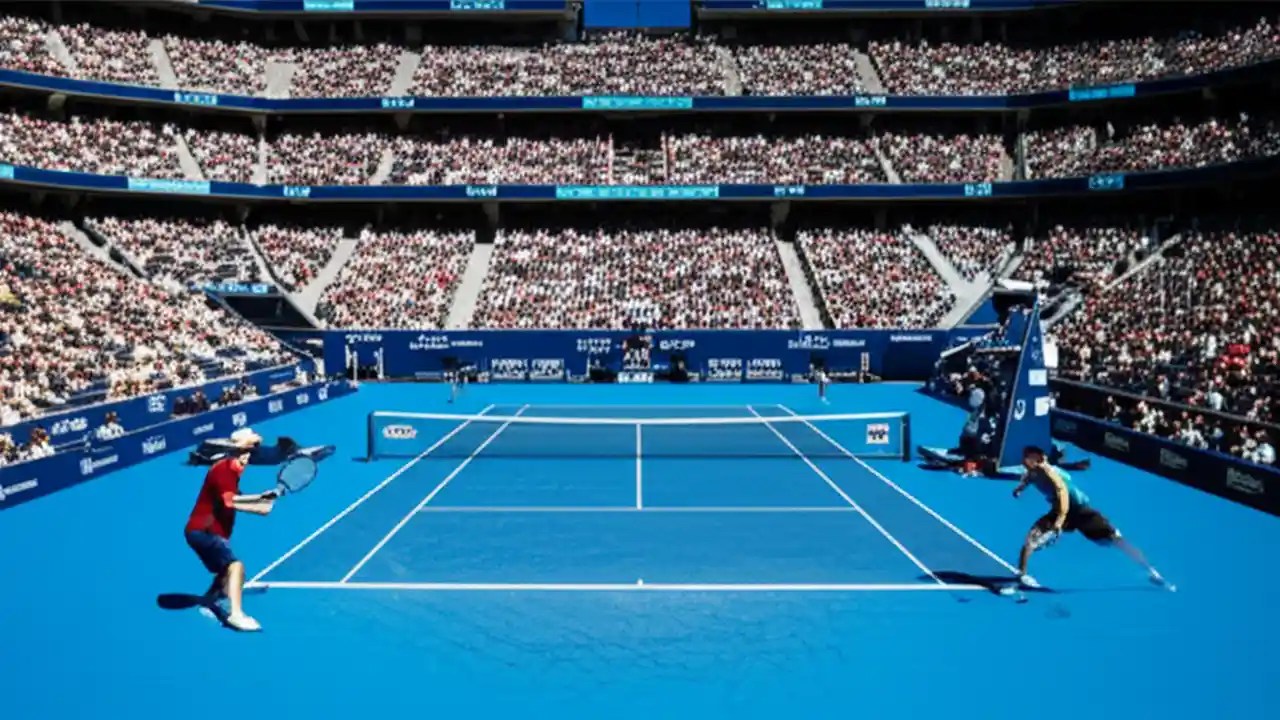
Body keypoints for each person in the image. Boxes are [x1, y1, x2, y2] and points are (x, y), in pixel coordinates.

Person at [1012, 445, 1168, 589]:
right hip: (1059, 511)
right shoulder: (1031, 473)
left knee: (1116, 540)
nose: (1024, 460)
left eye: (1028, 457)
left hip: (1080, 511)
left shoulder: (1050, 473)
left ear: (1039, 459)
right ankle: (1022, 575)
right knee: (1030, 539)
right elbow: (1028, 478)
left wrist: (1059, 522)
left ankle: (1151, 571)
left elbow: (1063, 495)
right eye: (1025, 457)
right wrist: (1020, 489)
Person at [184, 427, 274, 631]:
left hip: (202, 531)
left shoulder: (230, 472)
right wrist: (259, 502)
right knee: (236, 567)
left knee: (224, 571)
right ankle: (236, 615)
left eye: (249, 453)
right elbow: (229, 501)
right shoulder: (223, 470)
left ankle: (210, 601)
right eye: (243, 453)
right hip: (203, 531)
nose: (246, 458)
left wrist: (262, 503)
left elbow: (237, 500)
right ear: (234, 451)